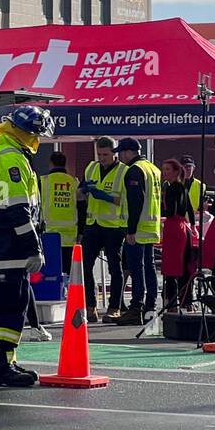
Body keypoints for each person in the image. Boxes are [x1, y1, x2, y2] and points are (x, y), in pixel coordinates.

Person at [0, 104, 54, 387]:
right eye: (37, 134)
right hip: (6, 250)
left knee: (4, 311)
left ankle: (3, 362)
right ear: (28, 133)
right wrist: (34, 248)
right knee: (9, 311)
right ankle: (0, 369)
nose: (39, 140)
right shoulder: (11, 159)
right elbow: (17, 211)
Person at [80, 136, 128, 323]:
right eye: (99, 154)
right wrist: (83, 191)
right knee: (85, 266)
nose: (102, 158)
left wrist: (103, 195)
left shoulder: (124, 171)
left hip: (113, 226)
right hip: (93, 224)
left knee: (115, 268)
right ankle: (90, 306)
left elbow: (122, 200)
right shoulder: (91, 167)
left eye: (105, 154)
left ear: (114, 153)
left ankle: (114, 307)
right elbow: (80, 193)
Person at [118, 138, 160, 324]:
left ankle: (136, 307)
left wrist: (131, 229)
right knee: (149, 267)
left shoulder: (134, 170)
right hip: (152, 225)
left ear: (129, 152)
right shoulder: (152, 168)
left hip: (139, 227)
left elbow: (136, 201)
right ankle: (150, 306)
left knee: (137, 268)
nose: (119, 156)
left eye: (121, 152)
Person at [159, 158, 198, 312]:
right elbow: (189, 209)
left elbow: (172, 210)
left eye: (168, 170)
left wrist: (163, 216)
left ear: (176, 172)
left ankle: (171, 302)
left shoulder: (171, 188)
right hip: (184, 227)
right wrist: (193, 226)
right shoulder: (183, 187)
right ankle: (185, 300)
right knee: (183, 265)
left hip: (173, 227)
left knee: (171, 267)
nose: (165, 173)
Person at [39, 151, 78, 274]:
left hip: (49, 234)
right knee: (68, 271)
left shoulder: (43, 181)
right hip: (70, 236)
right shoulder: (74, 182)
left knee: (51, 272)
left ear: (51, 164)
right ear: (65, 164)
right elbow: (81, 207)